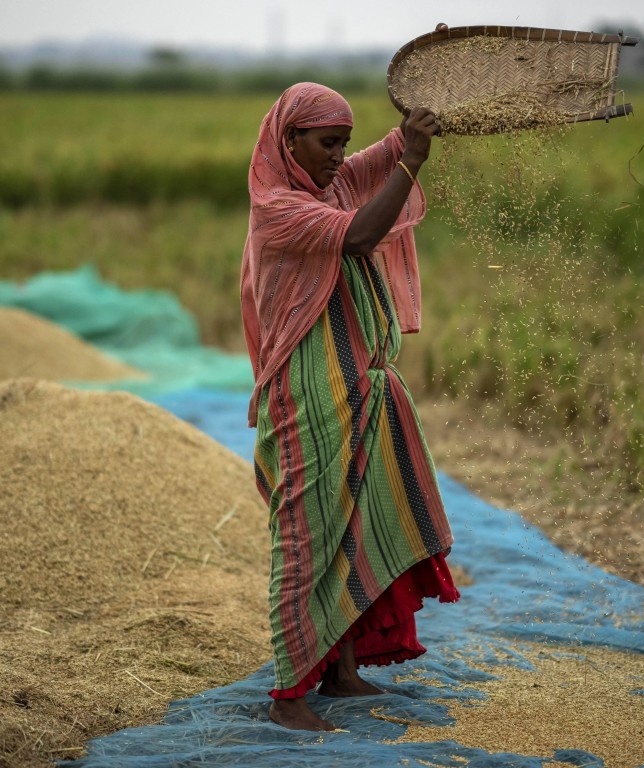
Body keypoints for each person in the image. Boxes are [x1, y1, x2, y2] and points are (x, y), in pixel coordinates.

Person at [240, 82, 459, 732]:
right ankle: (289, 694)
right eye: (326, 143)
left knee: (355, 519)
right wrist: (410, 163)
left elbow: (387, 153)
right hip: (306, 393)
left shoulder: (328, 183)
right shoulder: (279, 208)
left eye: (343, 142)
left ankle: (340, 672)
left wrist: (427, 106)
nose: (340, 157)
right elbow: (362, 234)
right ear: (289, 142)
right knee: (306, 536)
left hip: (353, 384)